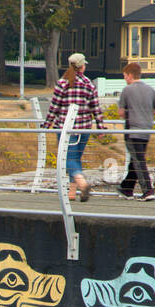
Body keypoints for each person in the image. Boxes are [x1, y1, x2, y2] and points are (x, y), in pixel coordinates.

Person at [44, 52, 106, 202]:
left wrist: (47, 125)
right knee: (75, 158)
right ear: (82, 67)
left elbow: (54, 107)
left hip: (65, 128)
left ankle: (82, 184)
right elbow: (95, 108)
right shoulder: (89, 84)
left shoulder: (62, 83)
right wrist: (101, 127)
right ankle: (72, 193)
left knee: (67, 159)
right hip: (84, 128)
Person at [117, 61, 155, 200]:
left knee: (138, 160)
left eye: (125, 76)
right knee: (136, 158)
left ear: (130, 75)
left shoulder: (127, 90)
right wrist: (146, 113)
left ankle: (147, 190)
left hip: (132, 129)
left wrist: (132, 114)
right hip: (147, 129)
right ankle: (127, 188)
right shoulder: (149, 89)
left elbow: (121, 112)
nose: (124, 78)